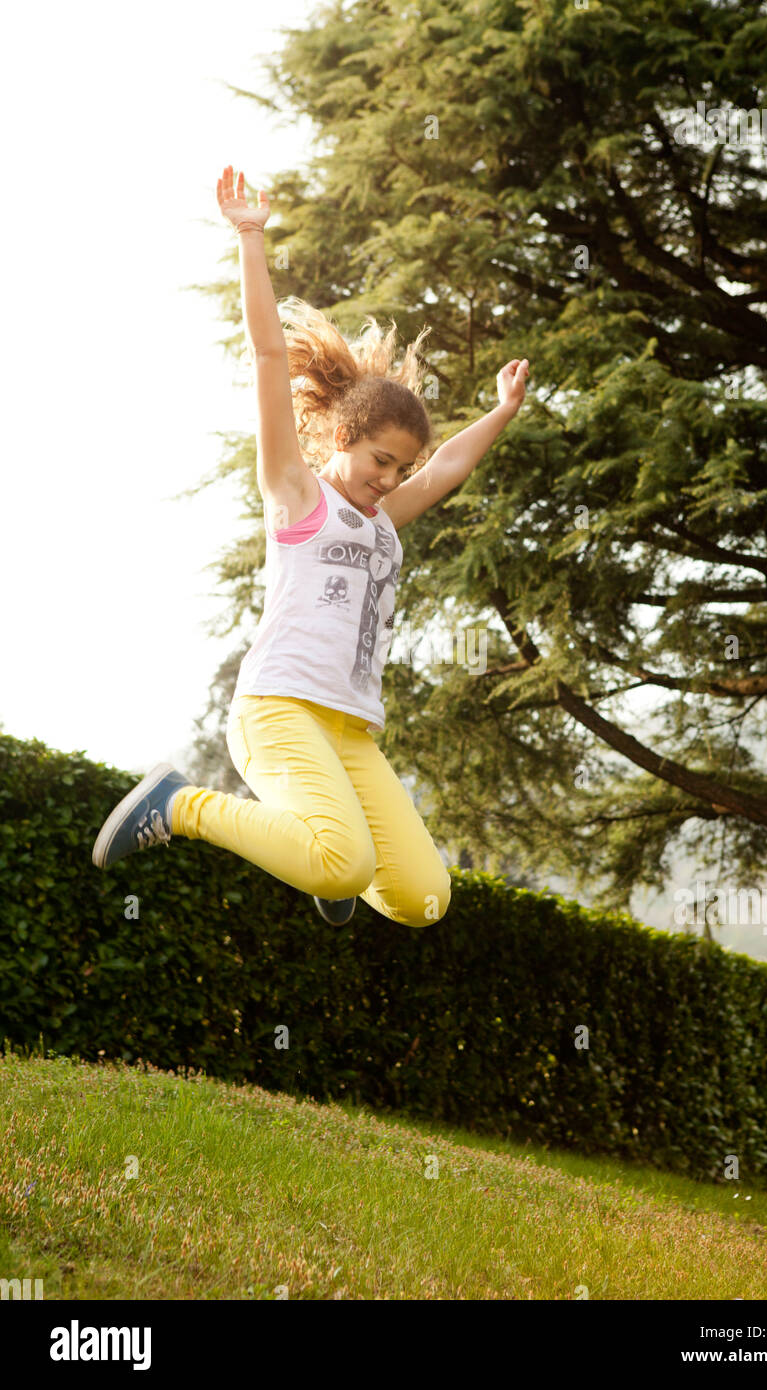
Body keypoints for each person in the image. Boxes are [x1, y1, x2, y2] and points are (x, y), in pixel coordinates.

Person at [92, 164, 529, 928]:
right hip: (278, 710)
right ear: (340, 436)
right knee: (345, 858)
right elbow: (267, 356)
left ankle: (326, 865)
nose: (389, 480)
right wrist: (252, 239)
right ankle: (183, 804)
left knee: (423, 899)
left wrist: (501, 411)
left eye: (401, 469)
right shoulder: (299, 493)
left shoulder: (385, 519)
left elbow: (451, 466)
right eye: (379, 462)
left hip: (350, 725)